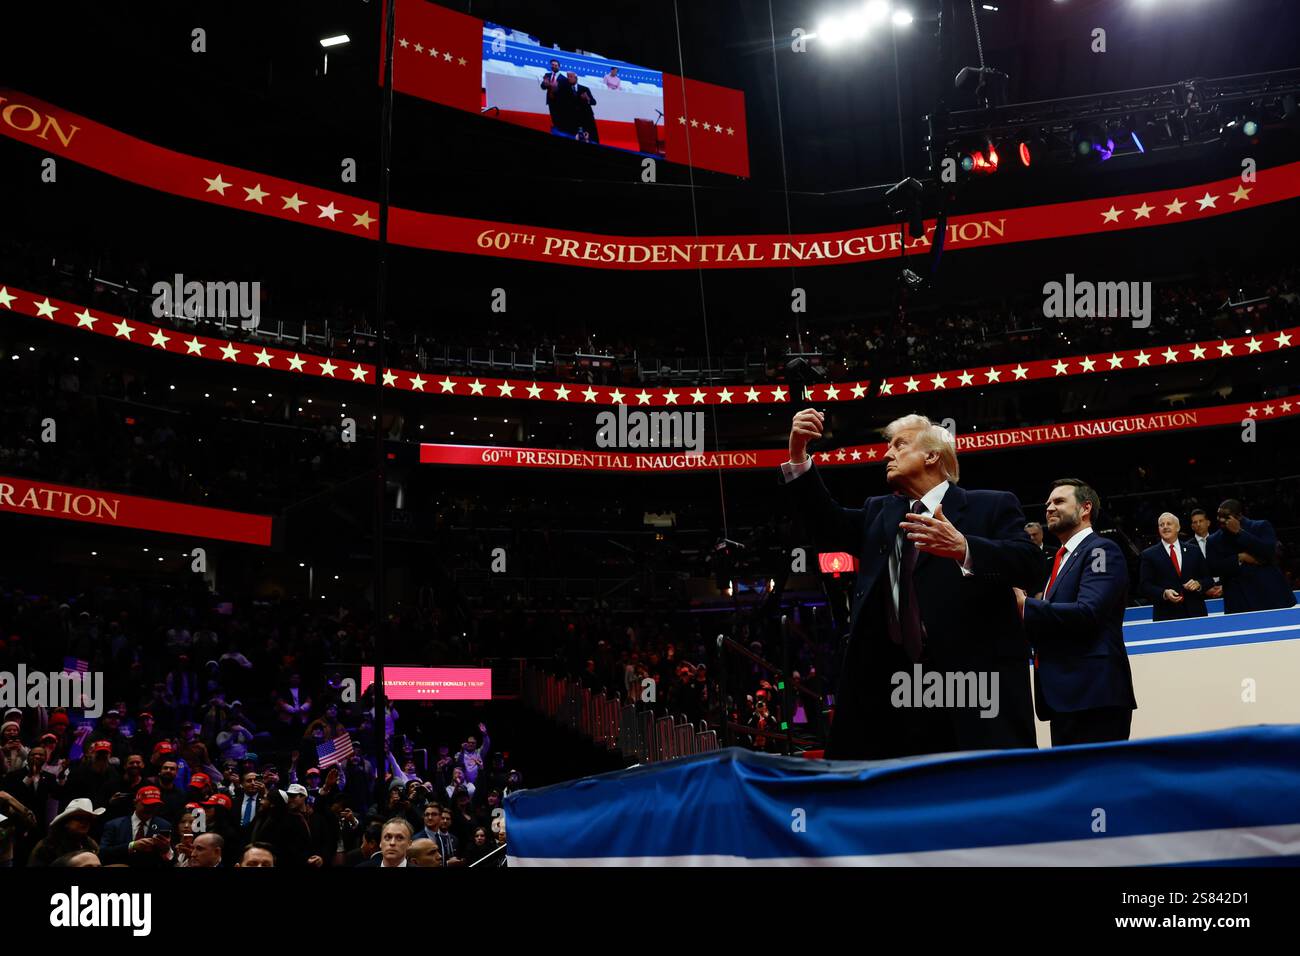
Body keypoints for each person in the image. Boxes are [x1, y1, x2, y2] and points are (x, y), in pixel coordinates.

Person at [782, 410, 1042, 759]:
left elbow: (1031, 567)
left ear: (932, 455)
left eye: (899, 445)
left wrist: (965, 548)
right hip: (896, 692)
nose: (887, 454)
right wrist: (798, 456)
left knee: (982, 797)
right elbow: (826, 523)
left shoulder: (990, 505)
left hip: (971, 689)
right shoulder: (879, 512)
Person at [1016, 479, 1137, 745]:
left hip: (1093, 696)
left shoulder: (1100, 550)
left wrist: (1026, 606)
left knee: (1102, 782)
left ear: (1085, 509)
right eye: (1048, 503)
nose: (1049, 508)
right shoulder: (1061, 558)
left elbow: (1088, 612)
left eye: (1059, 501)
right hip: (1065, 696)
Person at [1206, 499, 1296, 613]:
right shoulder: (1213, 540)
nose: (1221, 520)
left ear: (1239, 516)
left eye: (1226, 517)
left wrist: (1240, 532)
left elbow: (1270, 553)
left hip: (1270, 594)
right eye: (1219, 516)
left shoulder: (1261, 527)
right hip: (1239, 600)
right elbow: (1213, 568)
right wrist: (1239, 557)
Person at [1138, 512, 1212, 620]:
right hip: (1166, 615)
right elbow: (1144, 586)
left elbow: (1209, 579)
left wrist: (1198, 584)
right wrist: (1164, 593)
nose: (1165, 527)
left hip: (1195, 613)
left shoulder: (1194, 550)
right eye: (1161, 525)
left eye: (1169, 524)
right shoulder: (1149, 555)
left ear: (1178, 527)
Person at [100, 785, 175, 867]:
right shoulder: (114, 825)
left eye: (154, 805)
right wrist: (132, 846)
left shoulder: (164, 826)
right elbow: (103, 853)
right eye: (147, 805)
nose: (150, 809)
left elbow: (172, 861)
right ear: (135, 803)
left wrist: (166, 850)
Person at [28, 797, 103, 867]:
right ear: (66, 822)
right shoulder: (47, 846)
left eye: (88, 819)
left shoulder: (91, 845)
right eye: (79, 818)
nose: (85, 822)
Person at [1189, 508, 1223, 599]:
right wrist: (1203, 588)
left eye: (1201, 521)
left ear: (1208, 523)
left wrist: (1224, 586)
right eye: (1195, 522)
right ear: (1192, 526)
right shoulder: (1187, 547)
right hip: (1200, 594)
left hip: (1224, 589)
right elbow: (1189, 573)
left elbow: (1227, 565)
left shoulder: (1220, 540)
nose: (1198, 524)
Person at [540, 58, 566, 131]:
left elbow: (564, 91)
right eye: (552, 65)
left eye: (556, 65)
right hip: (550, 101)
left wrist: (556, 88)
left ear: (559, 66)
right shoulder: (547, 75)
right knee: (553, 117)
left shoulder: (563, 78)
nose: (554, 66)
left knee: (560, 118)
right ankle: (556, 130)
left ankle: (561, 130)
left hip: (560, 102)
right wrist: (545, 84)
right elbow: (542, 87)